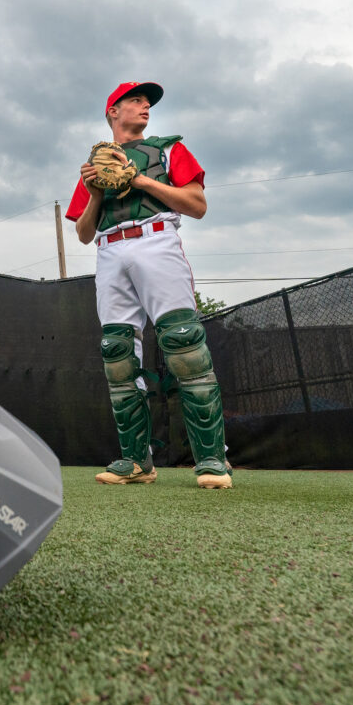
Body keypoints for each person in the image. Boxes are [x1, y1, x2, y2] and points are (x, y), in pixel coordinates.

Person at [65, 81, 232, 489]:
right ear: (112, 112)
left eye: (147, 103)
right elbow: (84, 234)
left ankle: (212, 461)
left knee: (182, 343)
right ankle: (137, 462)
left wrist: (141, 182)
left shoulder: (169, 150)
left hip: (155, 238)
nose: (145, 107)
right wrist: (94, 193)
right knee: (117, 353)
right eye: (135, 101)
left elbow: (197, 206)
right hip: (108, 250)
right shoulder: (96, 165)